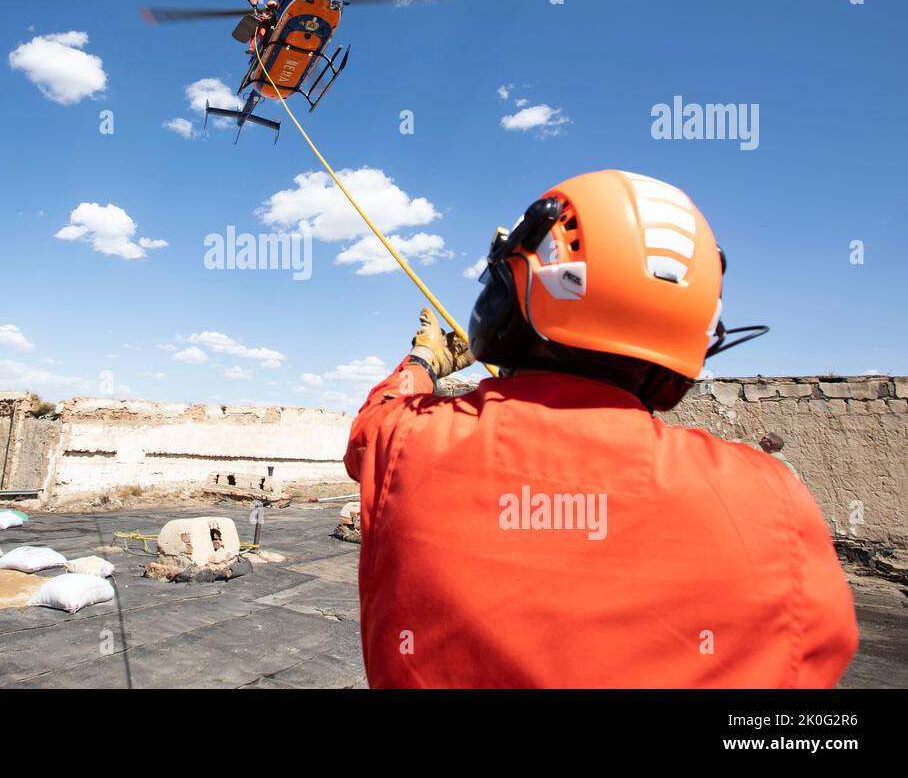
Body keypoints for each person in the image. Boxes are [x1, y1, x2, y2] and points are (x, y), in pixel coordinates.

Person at [344, 169, 857, 688]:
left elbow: (375, 422)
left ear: (510, 297)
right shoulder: (774, 503)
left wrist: (424, 359)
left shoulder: (409, 444)